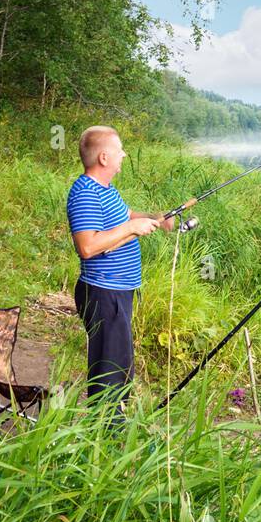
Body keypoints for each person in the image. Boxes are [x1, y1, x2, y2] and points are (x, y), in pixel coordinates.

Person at [66, 125, 195, 424]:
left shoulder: (106, 191)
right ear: (103, 157)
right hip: (102, 294)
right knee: (109, 370)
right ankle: (105, 435)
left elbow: (124, 217)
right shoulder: (85, 193)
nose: (124, 154)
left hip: (118, 293)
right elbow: (87, 247)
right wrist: (131, 229)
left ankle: (110, 428)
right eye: (119, 149)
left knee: (119, 364)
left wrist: (154, 218)